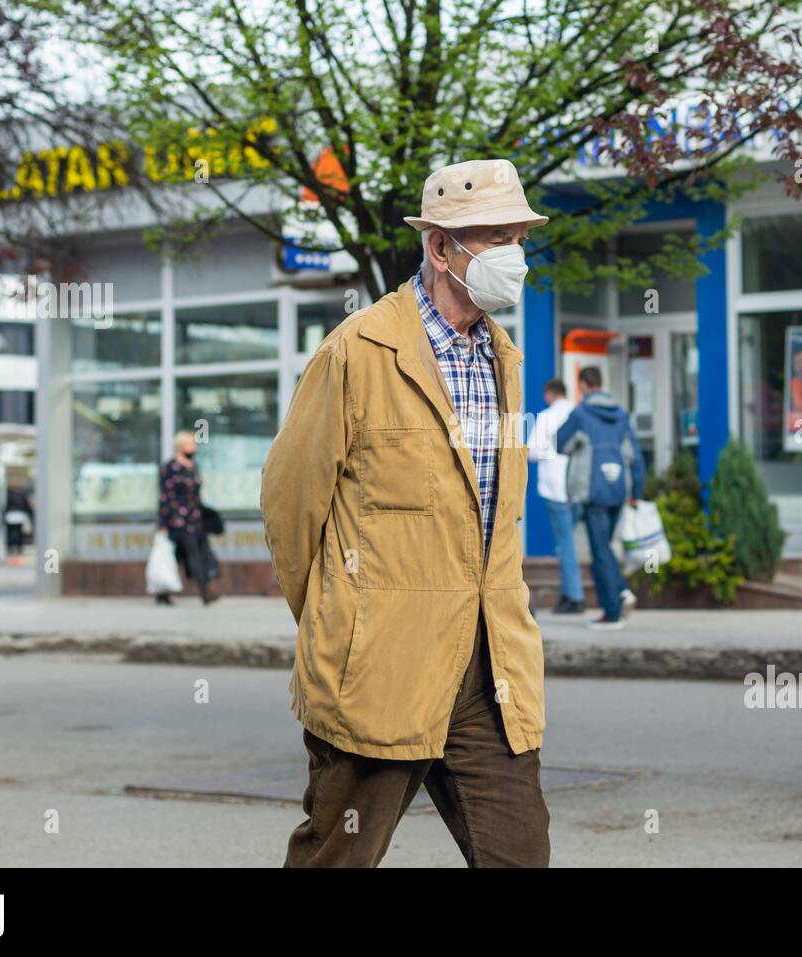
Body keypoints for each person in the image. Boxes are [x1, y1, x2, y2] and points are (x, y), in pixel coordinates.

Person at [261, 158, 550, 868]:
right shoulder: (357, 351)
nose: (510, 254)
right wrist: (342, 618)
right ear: (439, 248)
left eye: (517, 236)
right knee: (338, 856)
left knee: (520, 854)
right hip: (380, 663)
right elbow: (289, 504)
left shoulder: (504, 356)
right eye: (490, 237)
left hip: (489, 666)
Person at [555, 366, 646, 631]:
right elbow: (636, 457)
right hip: (619, 490)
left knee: (599, 551)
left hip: (592, 491)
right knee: (605, 548)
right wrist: (636, 492)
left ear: (583, 384)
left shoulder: (581, 414)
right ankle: (621, 592)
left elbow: (560, 443)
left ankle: (613, 611)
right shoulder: (621, 415)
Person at [529, 378, 584, 613]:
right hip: (580, 488)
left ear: (549, 394)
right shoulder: (580, 414)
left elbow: (532, 452)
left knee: (565, 544)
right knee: (570, 543)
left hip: (555, 488)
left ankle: (574, 595)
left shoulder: (546, 417)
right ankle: (569, 591)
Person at [157, 431, 218, 606]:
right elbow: (165, 496)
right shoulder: (171, 467)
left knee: (178, 556)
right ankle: (205, 591)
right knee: (193, 554)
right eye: (191, 444)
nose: (194, 447)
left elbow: (197, 495)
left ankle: (163, 592)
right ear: (181, 446)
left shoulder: (193, 466)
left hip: (195, 519)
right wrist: (163, 522)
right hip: (178, 520)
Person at [3, 480, 33, 562]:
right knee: (19, 535)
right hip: (19, 517)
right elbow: (27, 507)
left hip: (10, 517)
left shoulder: (8, 495)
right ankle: (18, 552)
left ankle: (11, 552)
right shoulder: (22, 495)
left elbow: (5, 507)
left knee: (11, 534)